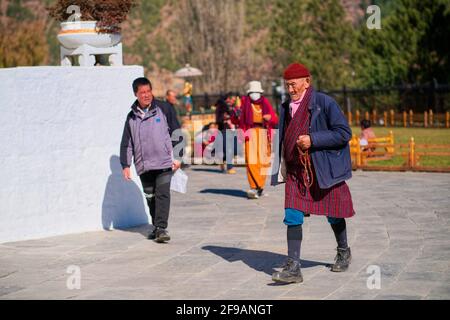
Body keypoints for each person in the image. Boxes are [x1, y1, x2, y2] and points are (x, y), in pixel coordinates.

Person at [270, 63, 355, 284]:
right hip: (296, 173)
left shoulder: (324, 103)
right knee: (292, 215)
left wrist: (314, 139)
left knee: (334, 212)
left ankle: (343, 250)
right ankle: (293, 267)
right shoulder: (285, 106)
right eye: (287, 85)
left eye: (294, 84)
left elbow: (344, 133)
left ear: (307, 82)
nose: (291, 89)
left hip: (322, 169)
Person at [120, 77, 182, 243]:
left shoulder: (164, 108)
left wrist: (177, 156)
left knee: (162, 194)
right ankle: (156, 227)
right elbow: (127, 142)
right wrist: (125, 165)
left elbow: (176, 131)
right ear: (136, 94)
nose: (146, 95)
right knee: (150, 197)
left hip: (163, 162)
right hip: (144, 164)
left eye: (148, 91)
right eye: (142, 93)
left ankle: (161, 228)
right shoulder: (131, 117)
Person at [240, 81, 278, 199]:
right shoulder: (244, 103)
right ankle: (254, 187)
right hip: (250, 132)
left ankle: (260, 187)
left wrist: (269, 118)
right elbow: (239, 119)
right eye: (252, 92)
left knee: (263, 161)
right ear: (249, 93)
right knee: (251, 161)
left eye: (257, 92)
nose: (254, 94)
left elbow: (275, 120)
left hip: (263, 133)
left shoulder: (265, 103)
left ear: (260, 93)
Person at [215, 93, 240, 174]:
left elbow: (238, 117)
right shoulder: (221, 107)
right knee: (228, 149)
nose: (234, 100)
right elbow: (218, 119)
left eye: (234, 99)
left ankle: (222, 160)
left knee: (235, 149)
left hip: (233, 130)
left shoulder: (234, 108)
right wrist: (224, 118)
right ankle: (230, 168)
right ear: (228, 99)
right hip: (224, 130)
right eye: (232, 99)